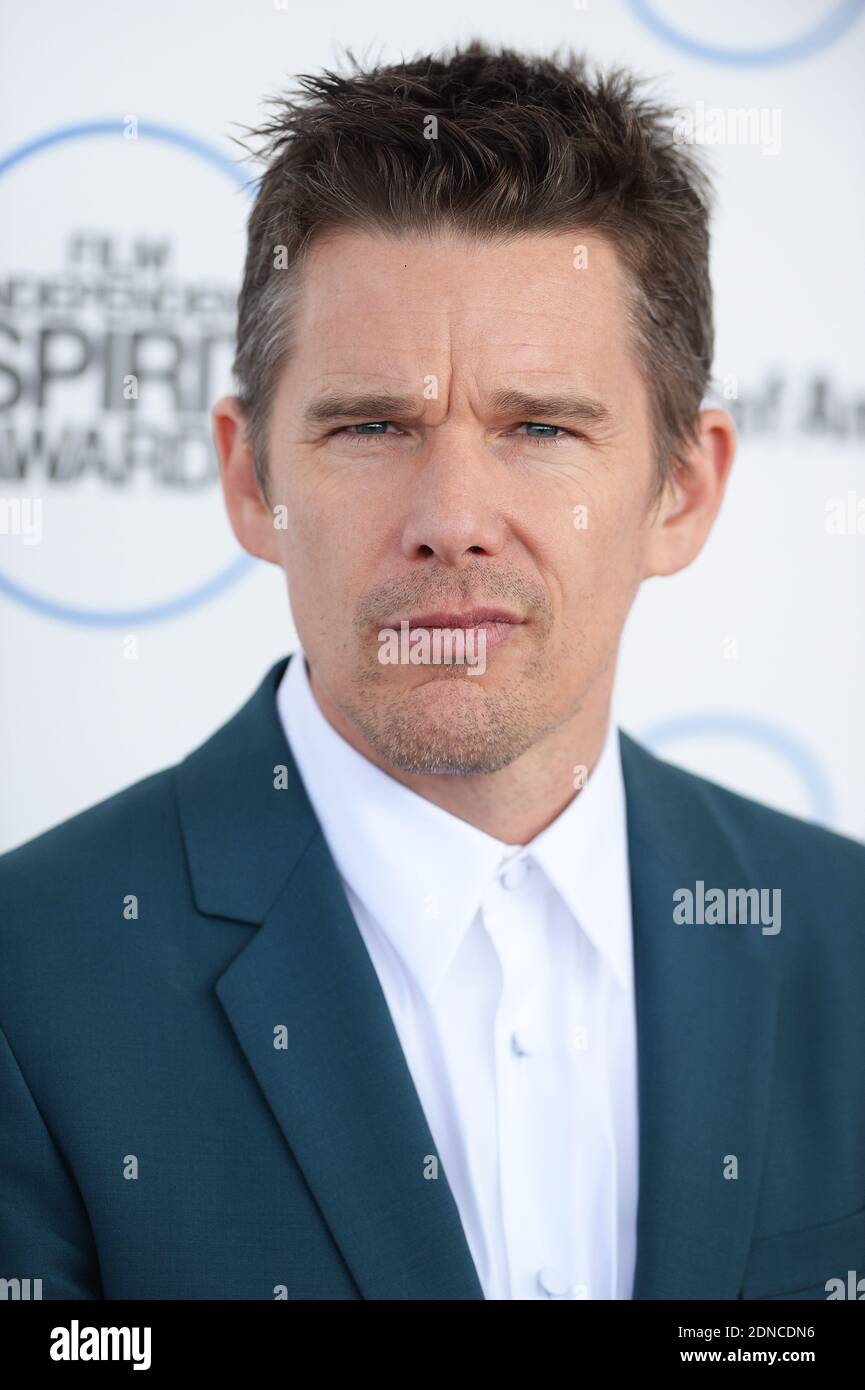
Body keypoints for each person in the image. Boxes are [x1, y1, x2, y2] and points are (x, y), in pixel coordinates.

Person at [1, 41, 863, 1302]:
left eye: (539, 428)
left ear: (681, 489)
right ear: (252, 481)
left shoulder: (845, 939)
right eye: (371, 426)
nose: (451, 515)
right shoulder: (30, 982)